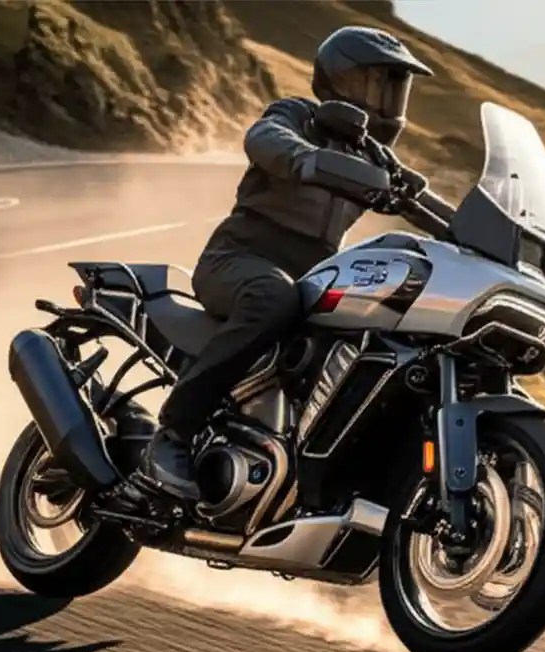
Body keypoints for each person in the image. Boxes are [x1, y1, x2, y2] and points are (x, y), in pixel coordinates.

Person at [141, 26, 434, 501]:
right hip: (237, 260)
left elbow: (426, 207)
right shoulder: (300, 117)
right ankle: (174, 433)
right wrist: (304, 158)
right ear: (340, 81)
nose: (388, 101)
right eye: (378, 84)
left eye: (396, 88)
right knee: (273, 296)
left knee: (380, 333)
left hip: (309, 280)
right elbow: (264, 136)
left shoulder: (376, 158)